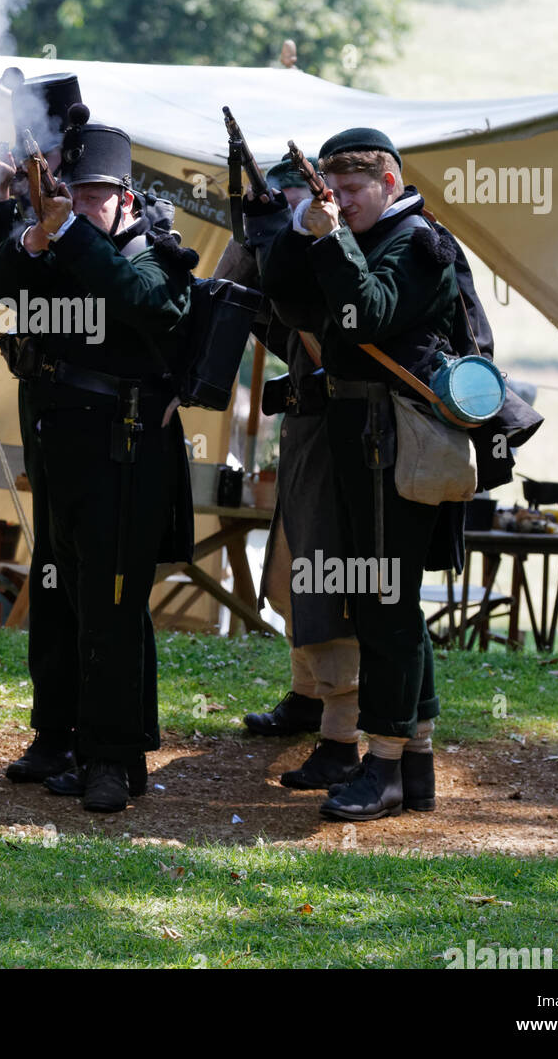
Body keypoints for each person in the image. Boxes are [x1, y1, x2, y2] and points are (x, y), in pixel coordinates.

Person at [0, 108, 195, 812]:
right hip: (60, 441)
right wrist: (35, 230)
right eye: (72, 190)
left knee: (112, 604)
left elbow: (146, 302)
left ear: (126, 198)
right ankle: (56, 734)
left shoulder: (149, 251)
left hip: (123, 447)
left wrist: (66, 232)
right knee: (57, 594)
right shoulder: (60, 245)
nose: (82, 203)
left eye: (96, 194)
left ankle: (115, 754)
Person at [252, 128, 461, 822]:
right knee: (381, 601)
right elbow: (287, 293)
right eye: (332, 190)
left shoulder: (421, 243)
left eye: (353, 190)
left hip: (393, 438)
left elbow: (366, 310)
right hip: (357, 437)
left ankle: (387, 765)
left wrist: (333, 240)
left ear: (391, 185)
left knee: (384, 605)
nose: (341, 201)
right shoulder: (356, 235)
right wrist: (291, 227)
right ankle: (415, 763)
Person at [232, 158, 363, 793]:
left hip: (348, 431)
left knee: (325, 575)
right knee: (290, 568)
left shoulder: (347, 248)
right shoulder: (287, 244)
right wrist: (252, 237)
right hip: (305, 425)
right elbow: (239, 310)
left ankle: (342, 728)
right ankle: (307, 694)